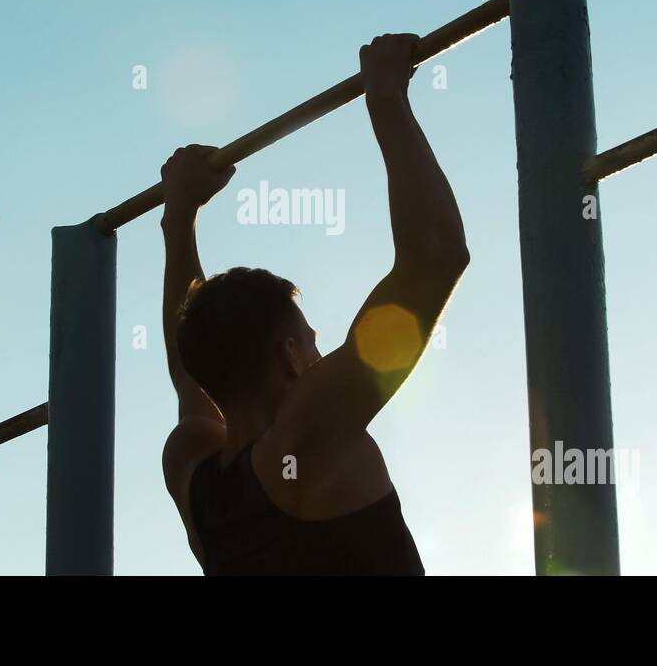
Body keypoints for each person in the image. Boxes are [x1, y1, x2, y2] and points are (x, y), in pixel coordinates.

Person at [158, 33, 470, 575]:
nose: (323, 357)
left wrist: (179, 218)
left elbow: (190, 375)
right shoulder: (308, 437)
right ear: (288, 357)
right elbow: (436, 258)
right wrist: (386, 99)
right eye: (313, 342)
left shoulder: (192, 471)